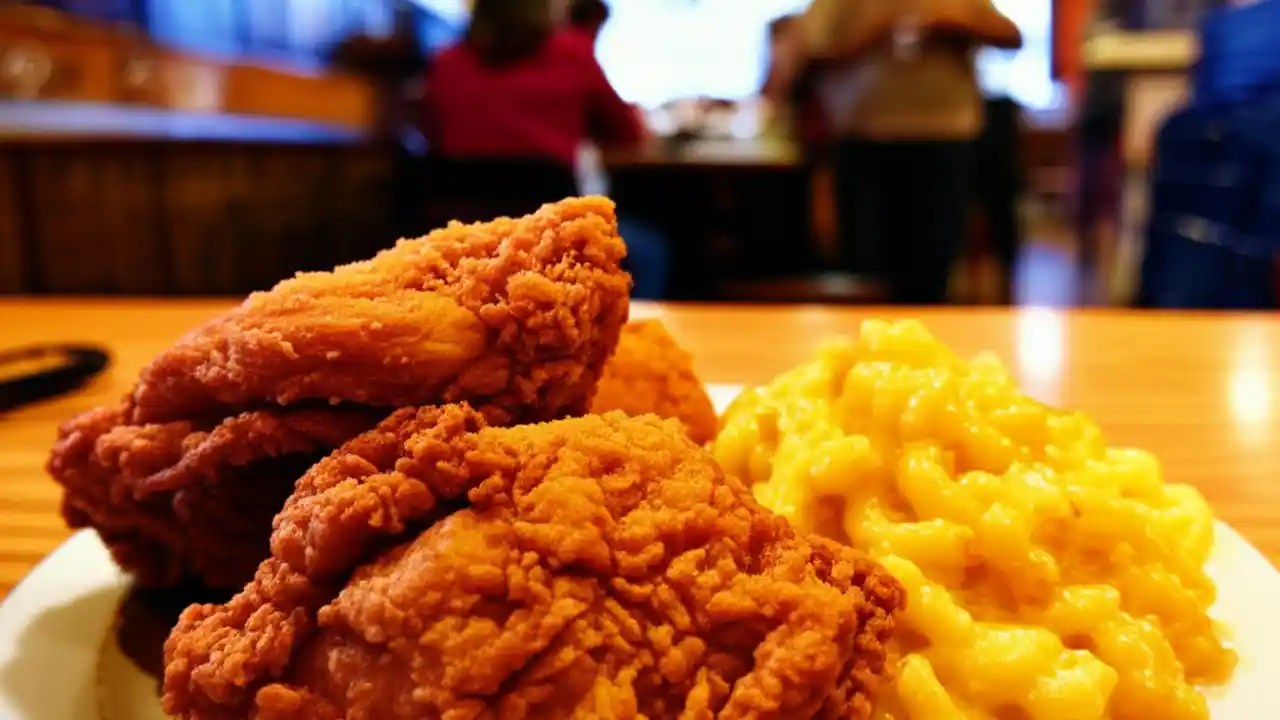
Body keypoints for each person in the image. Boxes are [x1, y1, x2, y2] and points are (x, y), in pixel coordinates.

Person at [801, 0, 1021, 304]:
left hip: (945, 137)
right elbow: (810, 51)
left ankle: (922, 346)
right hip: (865, 137)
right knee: (866, 271)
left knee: (933, 269)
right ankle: (868, 345)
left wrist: (959, 26)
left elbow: (1011, 37)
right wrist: (874, 33)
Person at [422, 0, 642, 171]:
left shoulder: (445, 62)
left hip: (461, 220)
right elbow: (626, 135)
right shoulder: (572, 54)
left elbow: (431, 137)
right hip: (553, 223)